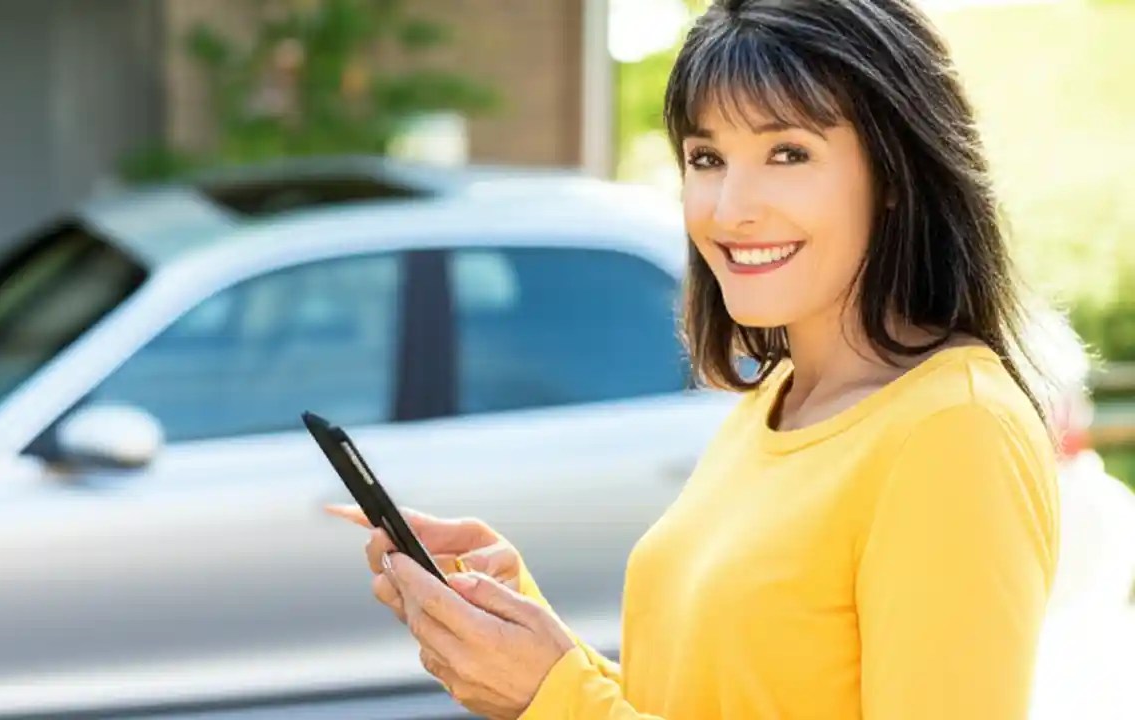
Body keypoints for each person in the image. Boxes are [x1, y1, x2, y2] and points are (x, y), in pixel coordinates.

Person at [328, 0, 1062, 716]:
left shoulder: (954, 433)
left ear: (896, 174)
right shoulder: (776, 405)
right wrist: (537, 651)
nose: (729, 207)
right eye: (706, 158)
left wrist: (553, 700)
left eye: (787, 153)